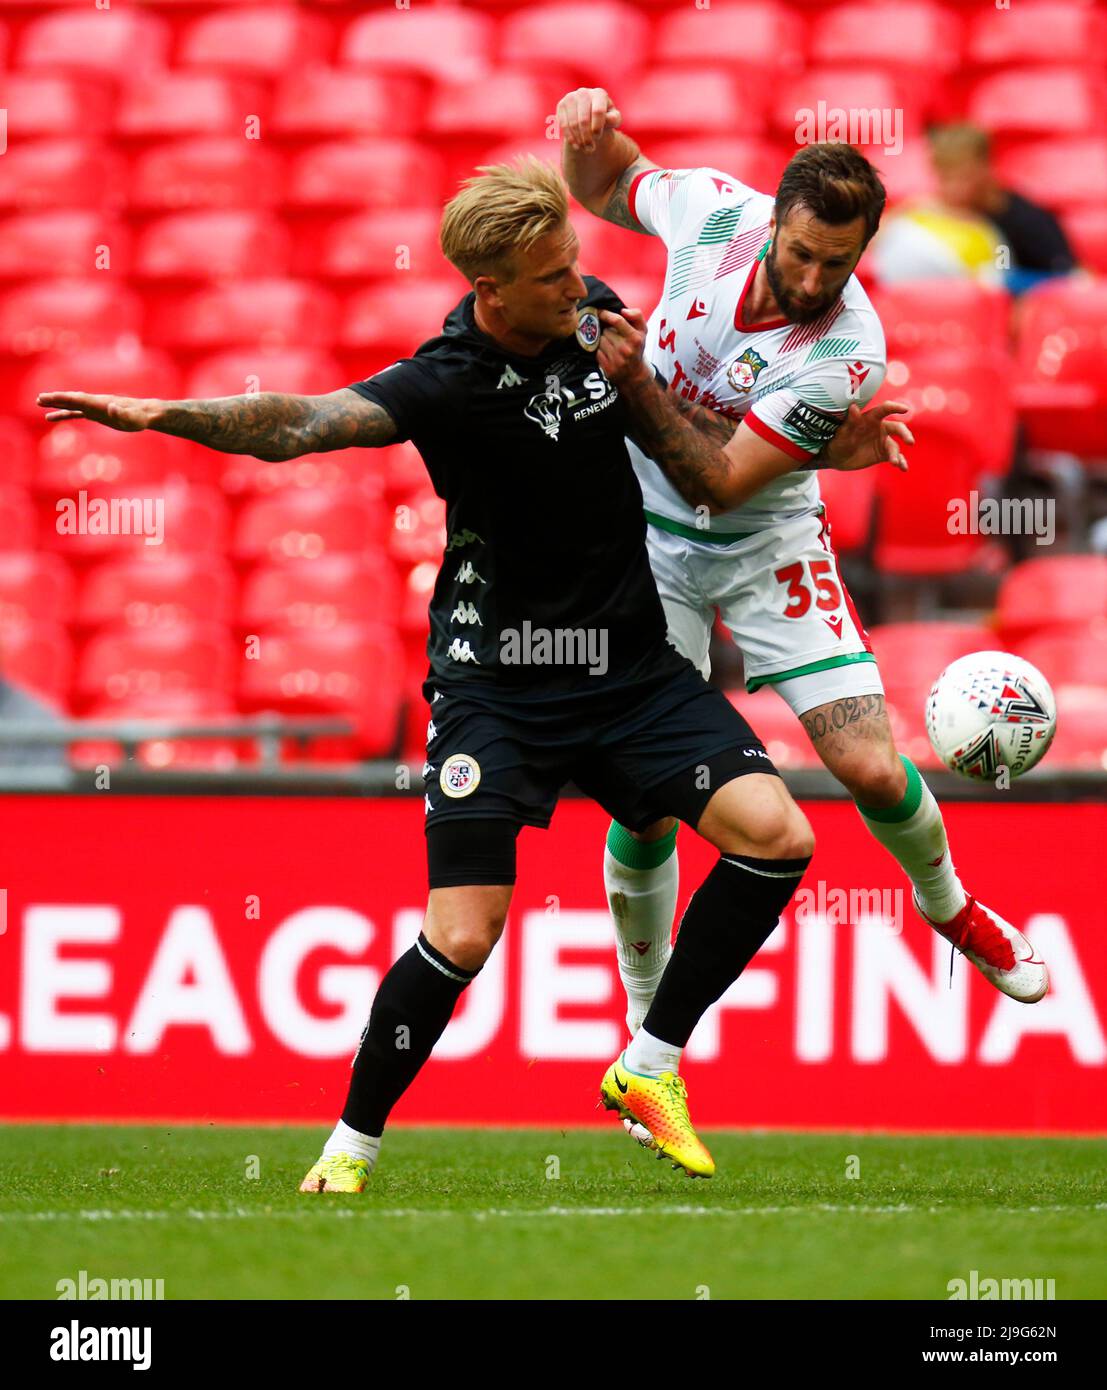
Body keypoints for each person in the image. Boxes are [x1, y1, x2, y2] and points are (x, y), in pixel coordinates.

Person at [36, 158, 908, 1184]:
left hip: (628, 670)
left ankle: (647, 1062)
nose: (580, 285)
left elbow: (698, 457)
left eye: (576, 262)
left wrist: (816, 450)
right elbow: (304, 422)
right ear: (492, 289)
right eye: (553, 275)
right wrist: (163, 416)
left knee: (777, 838)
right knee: (464, 931)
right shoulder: (445, 382)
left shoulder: (597, 331)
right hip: (495, 681)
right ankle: (349, 1144)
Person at [557, 88, 1050, 1057]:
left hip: (763, 538)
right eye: (801, 252)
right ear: (771, 219)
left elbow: (726, 481)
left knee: (868, 762)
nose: (814, 276)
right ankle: (646, 1015)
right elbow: (607, 181)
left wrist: (634, 378)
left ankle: (949, 906)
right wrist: (585, 134)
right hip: (644, 542)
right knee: (647, 793)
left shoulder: (847, 352)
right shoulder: (707, 210)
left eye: (838, 262)